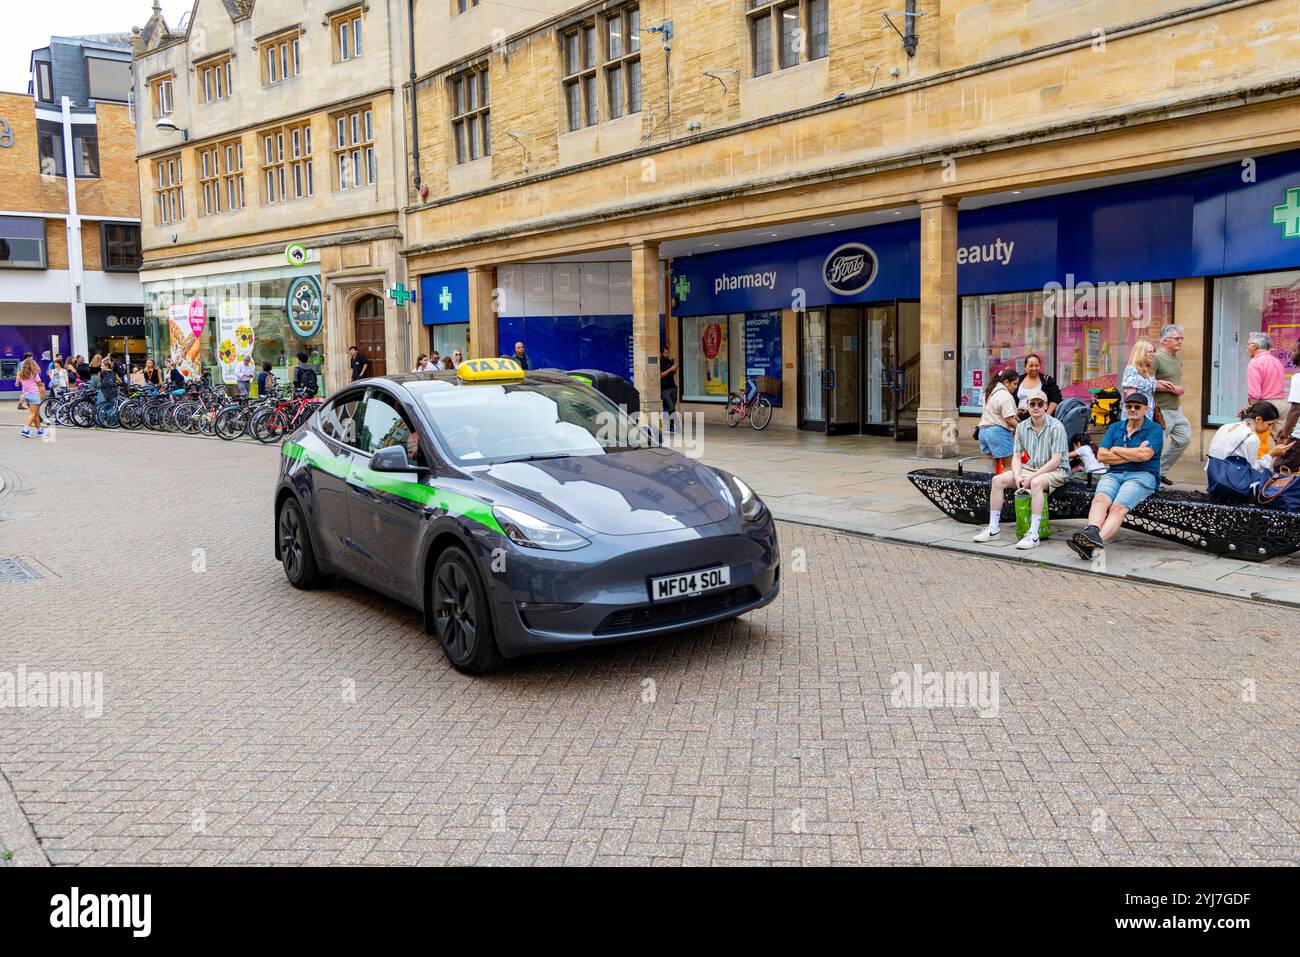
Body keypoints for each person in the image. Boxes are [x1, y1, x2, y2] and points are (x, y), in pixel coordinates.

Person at [1068, 391, 1164, 560]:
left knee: (1117, 508)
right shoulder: (1115, 427)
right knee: (1100, 500)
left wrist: (1117, 449)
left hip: (1142, 475)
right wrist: (1133, 454)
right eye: (1129, 406)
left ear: (1145, 409)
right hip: (1114, 474)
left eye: (1137, 407)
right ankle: (1092, 532)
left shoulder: (1154, 429)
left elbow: (1145, 456)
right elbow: (1102, 456)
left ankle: (1094, 542)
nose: (1132, 409)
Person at [973, 389, 1070, 549]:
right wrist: (1018, 477)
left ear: (1046, 406)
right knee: (997, 480)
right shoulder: (1022, 427)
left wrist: (1031, 478)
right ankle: (993, 528)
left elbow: (1056, 460)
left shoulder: (1056, 426)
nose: (1036, 407)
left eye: (1040, 404)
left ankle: (1033, 534)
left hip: (1057, 471)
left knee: (1037, 483)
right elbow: (1016, 456)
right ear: (1028, 406)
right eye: (1032, 404)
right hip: (1030, 469)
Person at [1206, 401, 1292, 475]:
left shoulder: (1225, 426)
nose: (1269, 429)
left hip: (1214, 476)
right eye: (1269, 424)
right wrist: (1272, 454)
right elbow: (1254, 470)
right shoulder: (1251, 438)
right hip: (1230, 483)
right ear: (1258, 419)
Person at [1152, 323, 1188, 485]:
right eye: (1176, 339)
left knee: (1184, 439)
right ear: (1165, 340)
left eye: (1181, 338)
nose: (1180, 341)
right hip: (1162, 410)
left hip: (1176, 409)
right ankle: (1152, 479)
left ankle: (1160, 470)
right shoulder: (1157, 357)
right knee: (1156, 447)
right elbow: (1146, 383)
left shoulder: (1177, 357)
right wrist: (1172, 389)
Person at [1244, 332, 1288, 438]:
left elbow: (1255, 394)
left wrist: (1250, 408)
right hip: (1282, 405)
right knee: (1280, 440)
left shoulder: (1255, 363)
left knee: (1259, 441)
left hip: (1266, 406)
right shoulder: (1277, 361)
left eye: (1248, 344)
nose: (1247, 347)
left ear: (1255, 346)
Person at [977, 368, 1020, 473]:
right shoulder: (1005, 395)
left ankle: (993, 487)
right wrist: (1022, 428)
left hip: (983, 432)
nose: (1016, 386)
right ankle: (1005, 489)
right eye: (1014, 383)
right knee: (1008, 467)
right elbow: (1009, 419)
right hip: (998, 433)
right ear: (1006, 382)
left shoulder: (990, 392)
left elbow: (994, 411)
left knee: (995, 465)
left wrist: (1016, 410)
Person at [1119, 338, 1158, 421]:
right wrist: (1135, 417)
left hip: (1148, 414)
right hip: (1135, 415)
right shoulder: (1132, 369)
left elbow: (1149, 387)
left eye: (1154, 351)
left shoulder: (1149, 370)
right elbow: (1131, 397)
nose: (1153, 354)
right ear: (1141, 353)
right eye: (1150, 352)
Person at [1276, 344, 1300, 474]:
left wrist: (1285, 434)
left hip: (1298, 437)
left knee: (1281, 467)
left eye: (1295, 350)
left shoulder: (1298, 378)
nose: (1292, 353)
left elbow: (1296, 409)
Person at [14, 357, 45, 438]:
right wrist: (42, 390)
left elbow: (19, 383)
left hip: (26, 395)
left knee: (35, 414)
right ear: (32, 364)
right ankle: (25, 430)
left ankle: (40, 431)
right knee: (33, 413)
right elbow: (40, 384)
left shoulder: (21, 374)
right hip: (34, 394)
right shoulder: (34, 373)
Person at [659, 345, 678, 432]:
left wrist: (675, 368)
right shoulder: (659, 362)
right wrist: (670, 369)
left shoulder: (669, 361)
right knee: (671, 407)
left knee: (672, 407)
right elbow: (661, 375)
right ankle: (672, 426)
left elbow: (674, 373)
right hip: (665, 389)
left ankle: (670, 425)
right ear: (661, 353)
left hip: (673, 387)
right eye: (665, 353)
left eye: (667, 353)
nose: (667, 355)